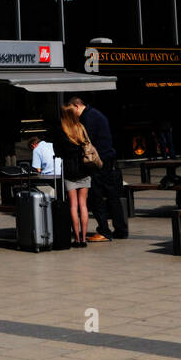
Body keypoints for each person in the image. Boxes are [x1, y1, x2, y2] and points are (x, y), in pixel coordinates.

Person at [70, 96, 128, 241]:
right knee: (112, 196)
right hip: (108, 160)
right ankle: (121, 230)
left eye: (71, 110)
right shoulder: (96, 114)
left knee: (96, 197)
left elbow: (84, 141)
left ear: (77, 106)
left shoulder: (87, 118)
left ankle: (103, 230)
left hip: (97, 162)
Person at [52, 105, 93, 248]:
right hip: (84, 169)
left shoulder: (62, 130)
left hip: (69, 171)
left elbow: (57, 152)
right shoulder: (81, 127)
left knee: (73, 206)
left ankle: (76, 238)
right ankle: (84, 238)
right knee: (83, 205)